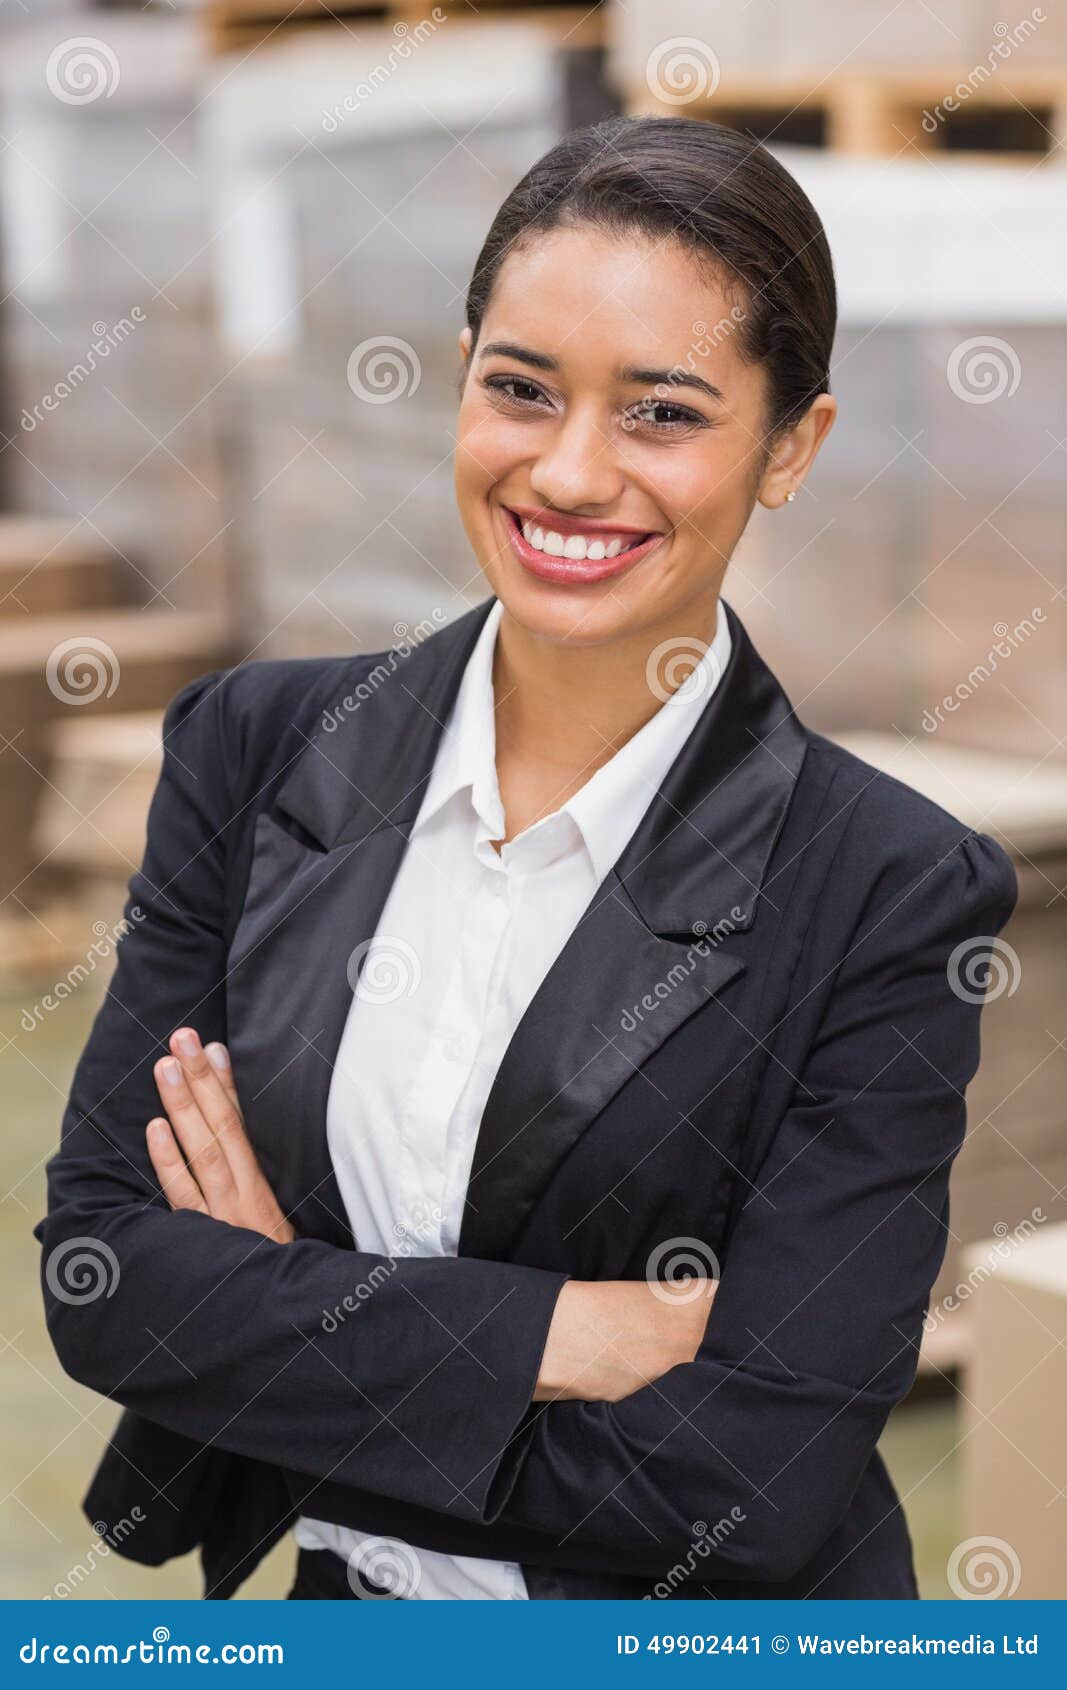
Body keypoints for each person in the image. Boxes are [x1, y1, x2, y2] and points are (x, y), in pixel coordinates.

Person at [35, 116, 1017, 1601]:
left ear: (791, 447)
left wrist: (279, 1316)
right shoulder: (257, 751)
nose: (568, 470)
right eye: (521, 388)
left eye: (662, 412)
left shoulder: (884, 888)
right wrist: (566, 1333)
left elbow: (751, 1481)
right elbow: (107, 1281)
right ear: (462, 376)